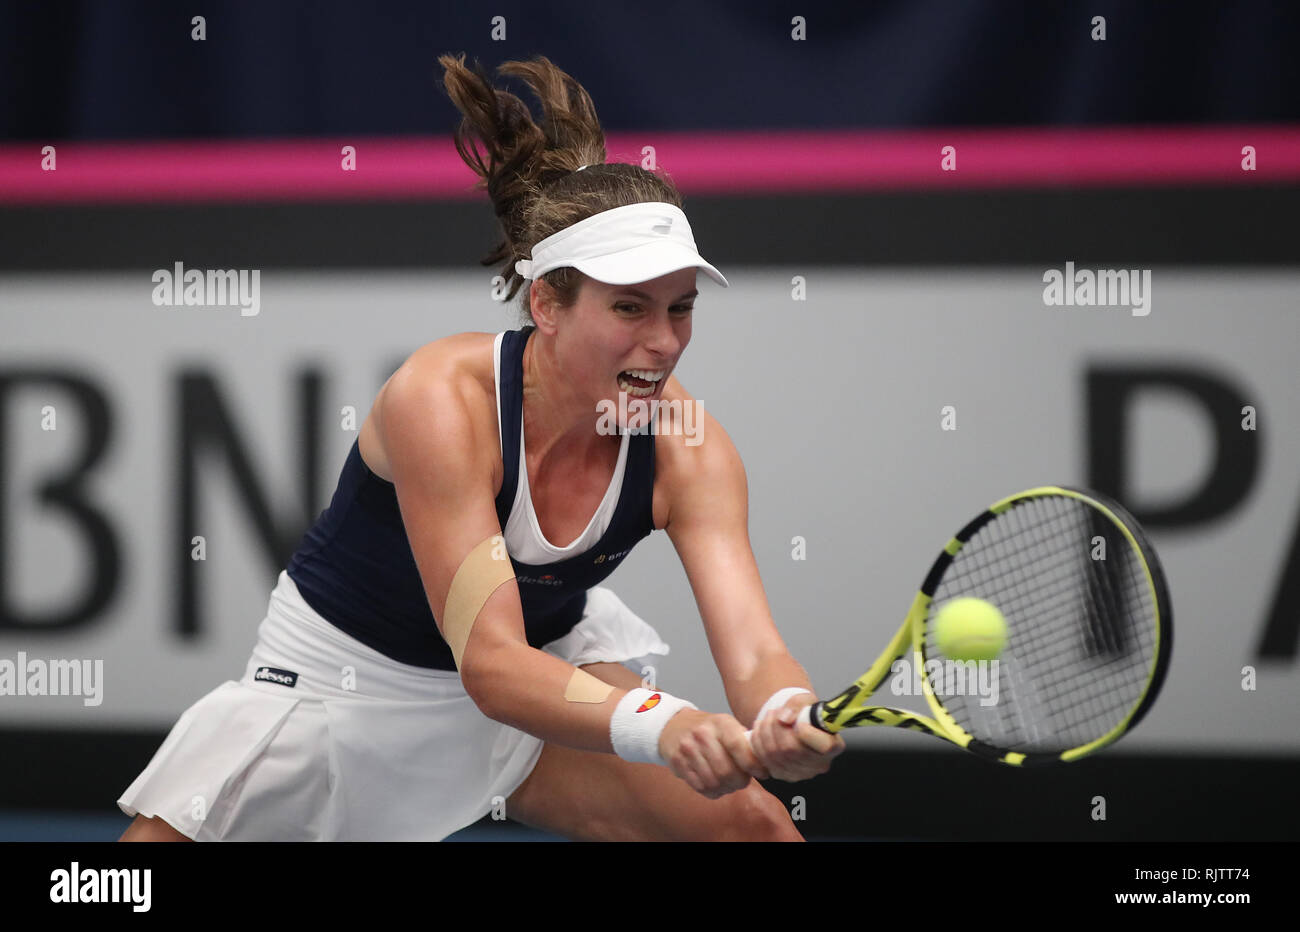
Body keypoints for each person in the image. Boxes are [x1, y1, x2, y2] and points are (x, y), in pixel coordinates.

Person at [117, 53, 843, 843]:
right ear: (548, 304)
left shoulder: (688, 447)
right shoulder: (441, 399)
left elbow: (755, 652)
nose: (664, 342)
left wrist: (784, 712)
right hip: (344, 684)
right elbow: (491, 663)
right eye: (630, 307)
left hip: (541, 690)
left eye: (681, 308)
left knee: (754, 829)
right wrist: (661, 722)